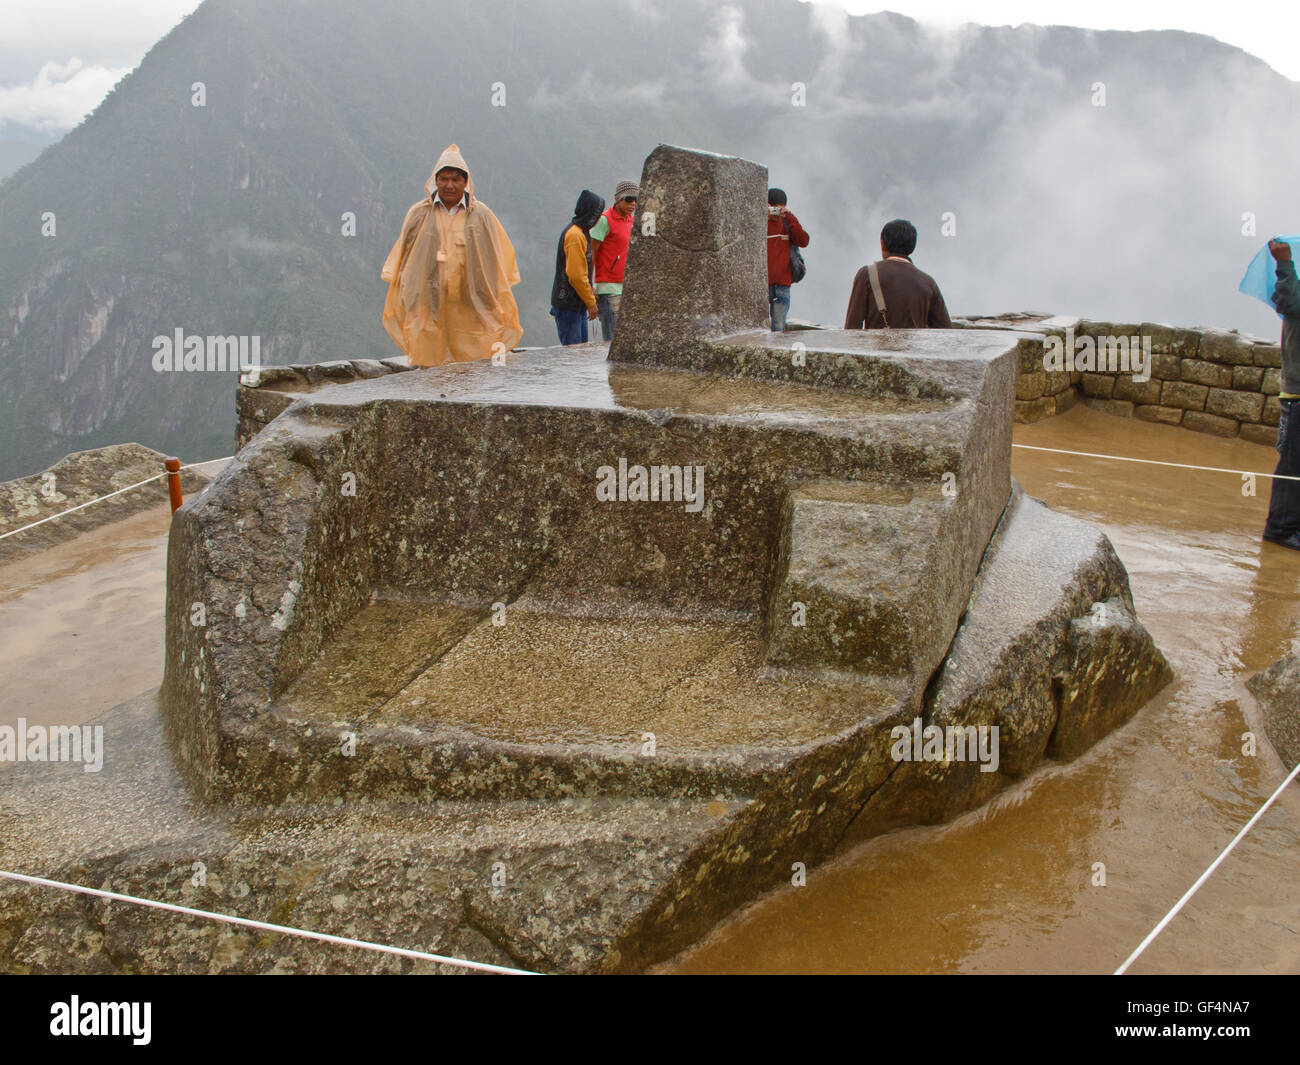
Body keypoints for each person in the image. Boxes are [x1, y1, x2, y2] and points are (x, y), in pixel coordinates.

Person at [380, 144, 523, 366]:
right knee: (429, 361)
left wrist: (490, 294)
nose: (449, 185)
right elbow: (405, 257)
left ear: (466, 182)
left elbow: (495, 258)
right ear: (435, 180)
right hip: (428, 303)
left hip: (470, 303)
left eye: (456, 179)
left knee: (472, 362)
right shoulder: (419, 214)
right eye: (444, 179)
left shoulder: (481, 215)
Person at [844, 219, 951, 330]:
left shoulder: (868, 274)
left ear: (882, 243)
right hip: (914, 348)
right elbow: (945, 331)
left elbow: (852, 327)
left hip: (876, 347)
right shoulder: (928, 282)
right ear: (912, 247)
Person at [1263, 237, 1300, 551]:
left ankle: (1292, 525)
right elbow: (1287, 300)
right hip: (1297, 397)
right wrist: (1284, 263)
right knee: (1292, 463)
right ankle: (1280, 530)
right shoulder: (1295, 296)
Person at [550, 189, 605, 345]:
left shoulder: (582, 232)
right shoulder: (575, 236)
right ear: (591, 213)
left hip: (575, 305)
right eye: (597, 213)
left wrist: (590, 292)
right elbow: (576, 276)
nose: (599, 217)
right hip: (568, 305)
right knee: (574, 357)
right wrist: (591, 303)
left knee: (581, 354)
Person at [588, 180, 638, 341]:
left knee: (625, 340)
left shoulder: (631, 221)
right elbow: (591, 253)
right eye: (629, 199)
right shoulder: (604, 220)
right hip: (608, 289)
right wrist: (589, 286)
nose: (633, 203)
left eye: (636, 199)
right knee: (611, 342)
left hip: (627, 288)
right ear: (618, 199)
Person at [766, 188, 809, 332]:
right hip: (766, 284)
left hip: (780, 286)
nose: (775, 211)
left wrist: (789, 216)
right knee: (768, 329)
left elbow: (803, 240)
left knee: (777, 328)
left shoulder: (787, 222)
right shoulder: (759, 221)